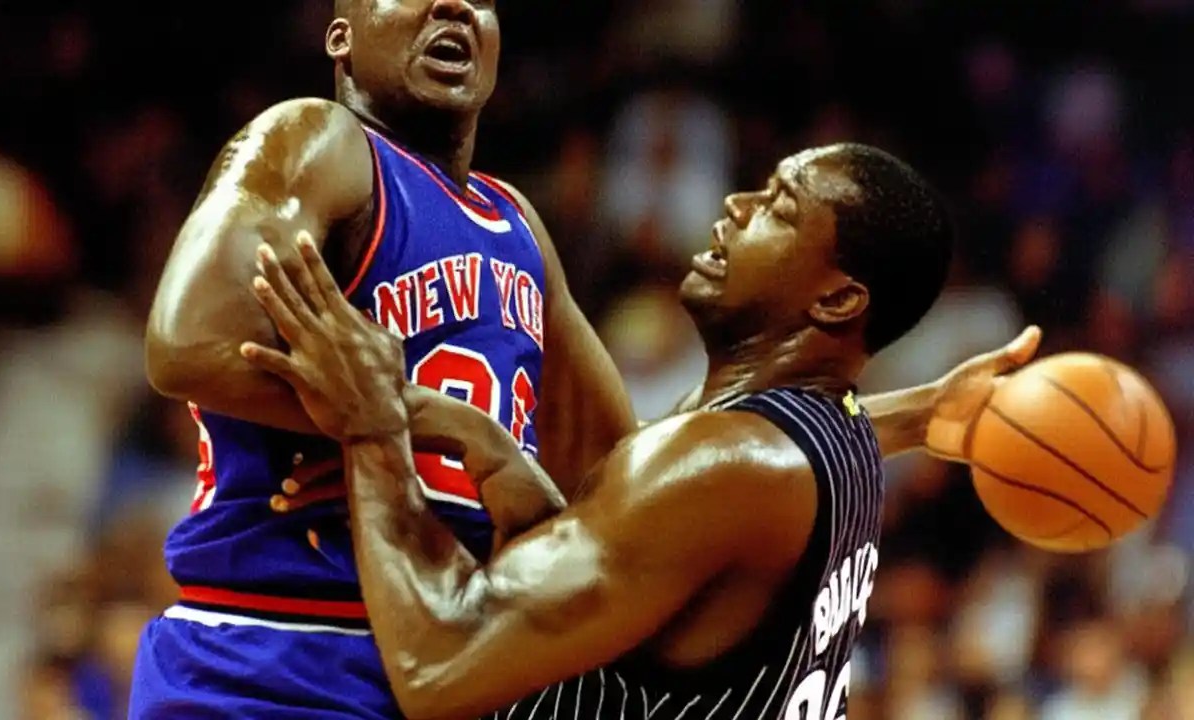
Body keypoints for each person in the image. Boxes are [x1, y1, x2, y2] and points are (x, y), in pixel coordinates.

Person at [134, 0, 1032, 716]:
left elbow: (638, 471)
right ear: (341, 33)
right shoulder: (317, 144)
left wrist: (908, 415)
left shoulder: (514, 223)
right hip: (274, 654)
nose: (453, 6)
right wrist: (417, 424)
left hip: (443, 651)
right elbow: (185, 345)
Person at [243, 142, 1043, 720]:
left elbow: (437, 667)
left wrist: (373, 430)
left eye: (777, 207)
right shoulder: (836, 439)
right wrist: (927, 411)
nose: (736, 206)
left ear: (837, 303)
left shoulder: (724, 466)